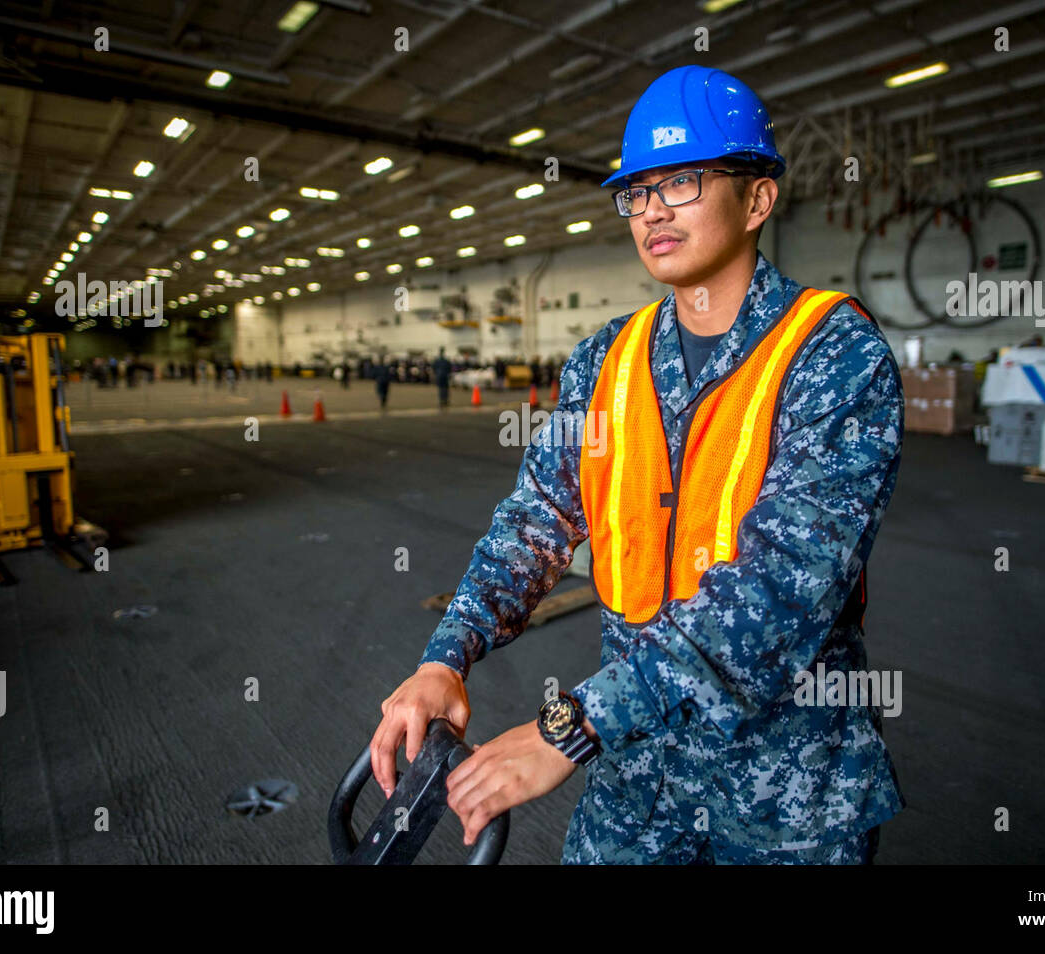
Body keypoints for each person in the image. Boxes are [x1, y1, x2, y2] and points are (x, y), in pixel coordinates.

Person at [371, 65, 905, 865]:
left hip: (787, 790)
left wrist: (573, 725)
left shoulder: (833, 354)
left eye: (682, 180)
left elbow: (781, 587)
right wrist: (448, 654)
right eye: (636, 191)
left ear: (758, 198)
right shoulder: (604, 362)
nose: (651, 208)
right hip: (639, 778)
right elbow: (536, 522)